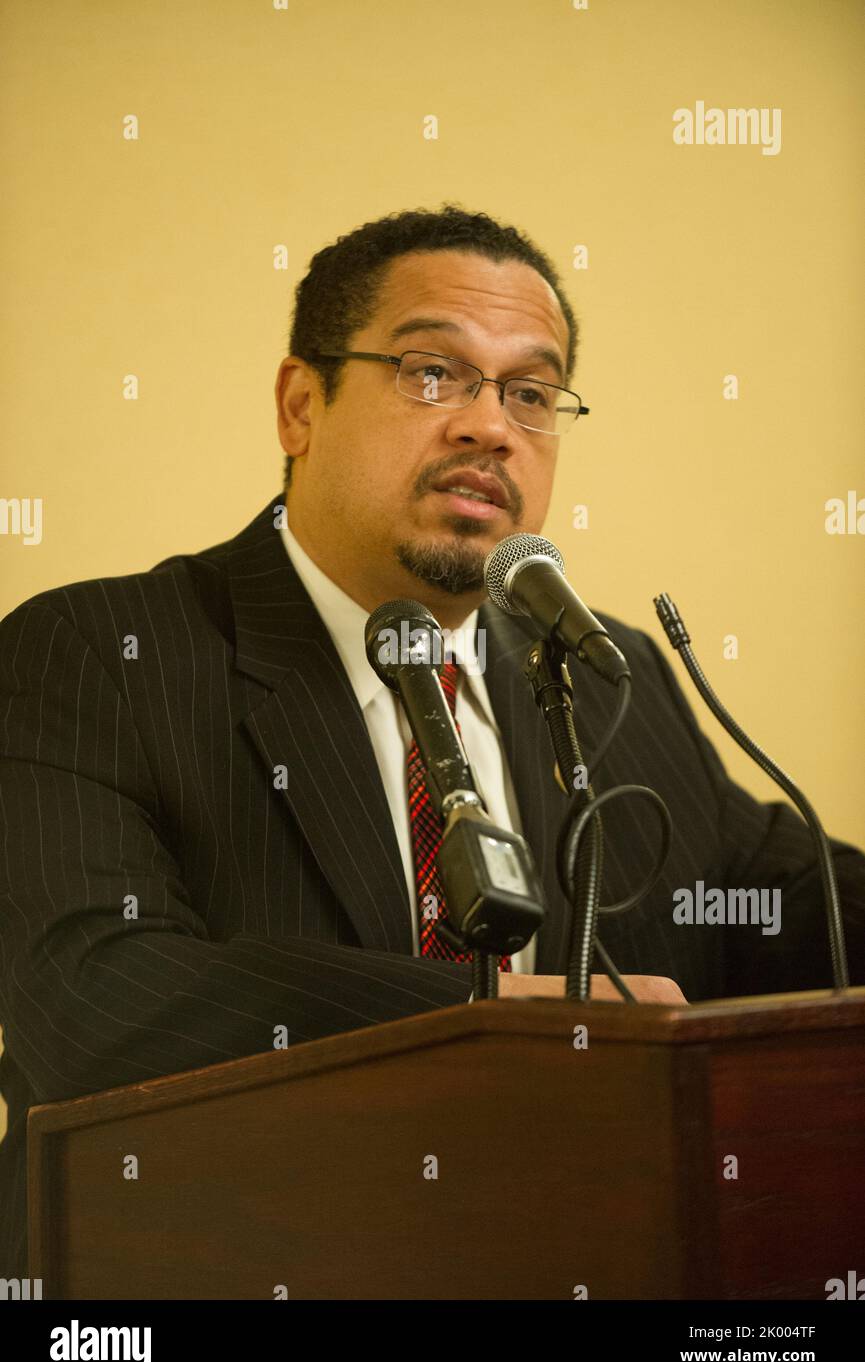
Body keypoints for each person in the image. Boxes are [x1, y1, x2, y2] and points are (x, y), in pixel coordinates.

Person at [0, 205, 862, 1277]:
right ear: (298, 404)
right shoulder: (100, 652)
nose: (489, 427)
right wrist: (485, 1016)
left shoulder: (607, 679)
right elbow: (85, 993)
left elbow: (786, 906)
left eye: (531, 394)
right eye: (431, 374)